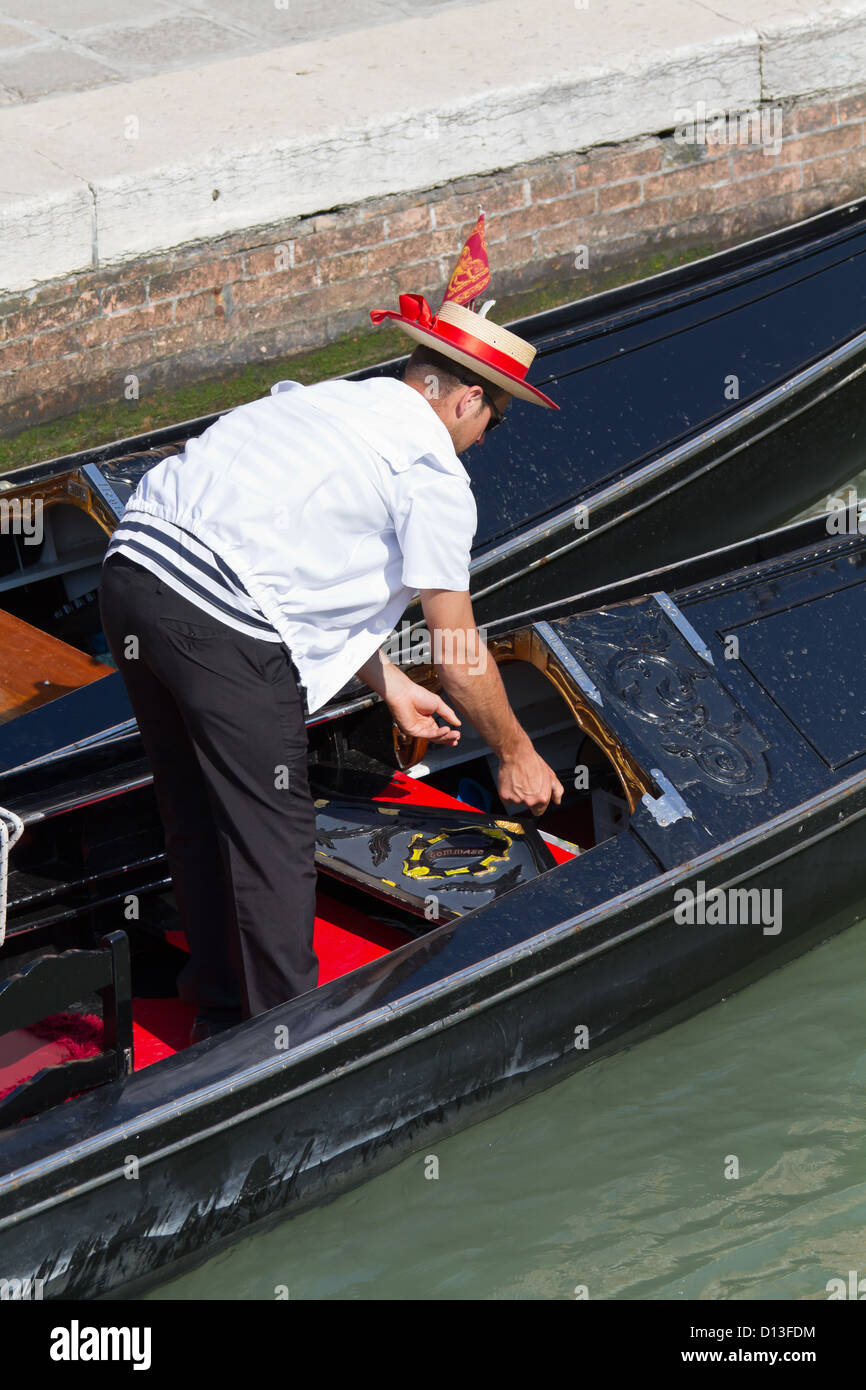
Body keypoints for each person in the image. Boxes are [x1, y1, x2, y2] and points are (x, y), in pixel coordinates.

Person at [97, 292, 564, 1041]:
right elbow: (456, 649)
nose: (484, 440)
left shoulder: (321, 403)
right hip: (221, 625)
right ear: (467, 401)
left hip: (130, 574)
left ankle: (220, 1004)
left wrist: (389, 681)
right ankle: (285, 1043)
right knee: (272, 836)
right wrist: (515, 753)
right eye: (494, 422)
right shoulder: (433, 476)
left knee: (194, 806)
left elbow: (294, 566)